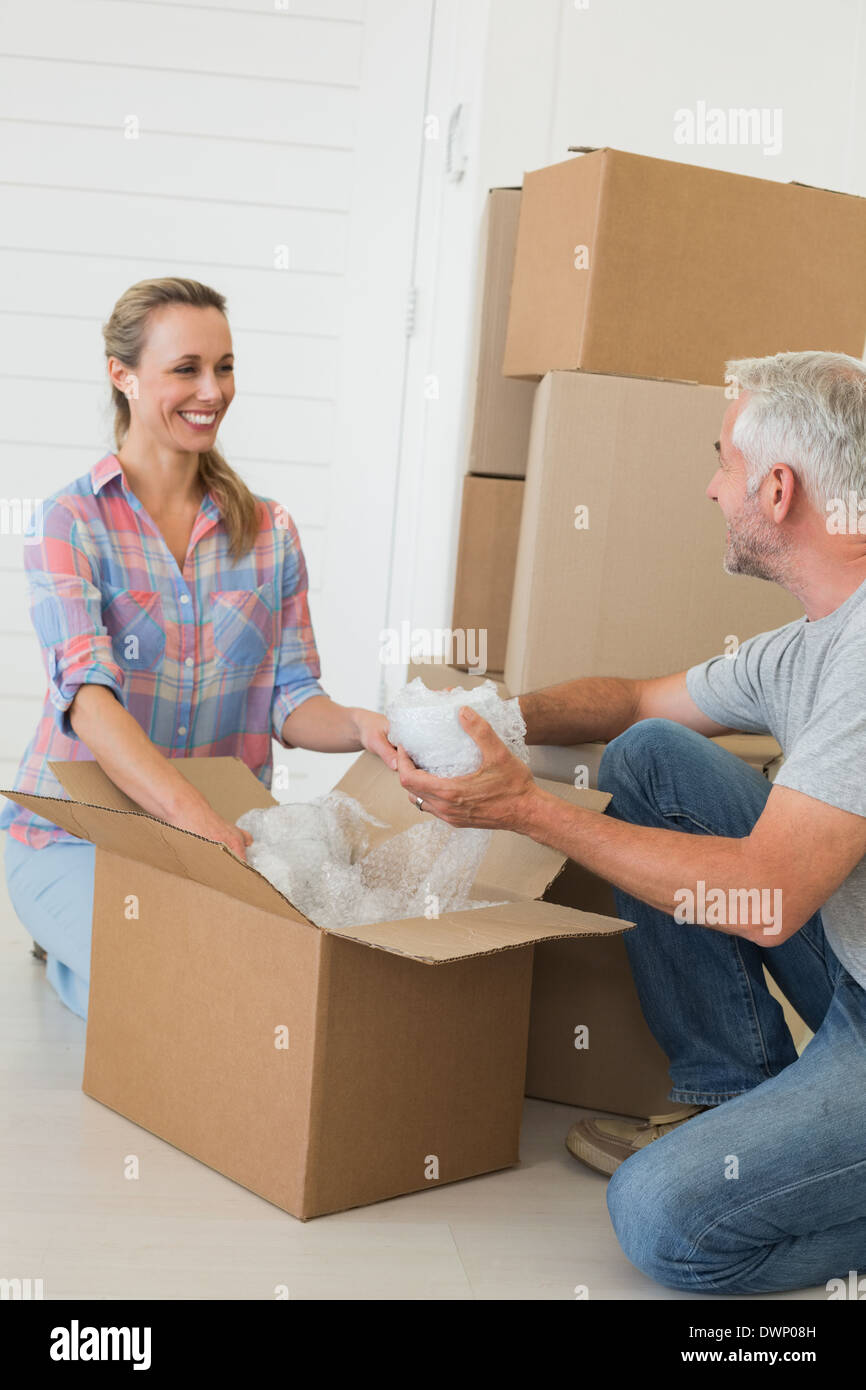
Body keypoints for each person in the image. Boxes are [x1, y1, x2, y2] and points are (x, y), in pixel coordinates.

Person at [395, 350, 866, 1295]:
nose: (709, 486)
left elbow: (767, 898)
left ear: (778, 490)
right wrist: (485, 719)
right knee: (651, 754)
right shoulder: (818, 635)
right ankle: (736, 1094)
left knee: (663, 1221)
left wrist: (523, 807)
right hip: (854, 973)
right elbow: (639, 699)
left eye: (723, 461)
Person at [1, 276, 396, 1020]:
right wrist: (194, 817)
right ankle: (66, 947)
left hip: (215, 841)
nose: (211, 390)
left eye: (225, 366)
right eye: (186, 368)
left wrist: (360, 727)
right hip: (79, 837)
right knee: (172, 996)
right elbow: (88, 701)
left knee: (263, 987)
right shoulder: (70, 522)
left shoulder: (267, 529)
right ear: (123, 375)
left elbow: (292, 695)